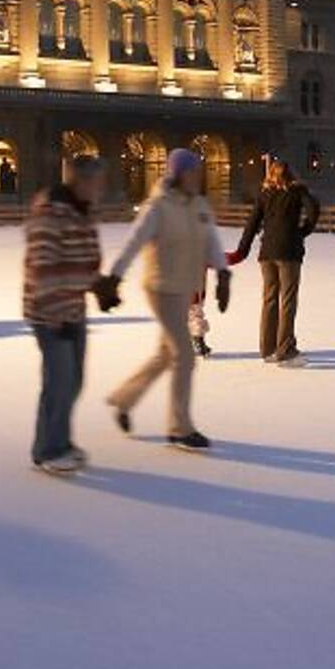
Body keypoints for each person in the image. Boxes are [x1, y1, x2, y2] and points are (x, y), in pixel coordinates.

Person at [99, 148, 230, 451]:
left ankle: (123, 398)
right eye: (193, 171)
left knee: (166, 353)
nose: (199, 176)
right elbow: (134, 242)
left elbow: (211, 241)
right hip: (161, 287)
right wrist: (114, 278)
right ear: (179, 173)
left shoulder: (198, 204)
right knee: (184, 355)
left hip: (184, 288)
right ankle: (179, 428)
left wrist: (223, 275)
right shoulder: (158, 207)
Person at [24, 154, 116, 475]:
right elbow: (42, 271)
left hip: (73, 307)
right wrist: (55, 314)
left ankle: (54, 441)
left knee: (72, 381)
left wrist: (99, 285)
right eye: (97, 182)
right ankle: (50, 449)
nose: (101, 189)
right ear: (80, 181)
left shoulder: (83, 212)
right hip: (49, 311)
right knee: (60, 382)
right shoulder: (51, 214)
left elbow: (83, 262)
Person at [226, 154, 321, 365]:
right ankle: (285, 350)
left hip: (267, 253)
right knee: (287, 300)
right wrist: (303, 231)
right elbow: (314, 209)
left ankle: (268, 349)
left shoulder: (264, 195)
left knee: (269, 299)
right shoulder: (298, 191)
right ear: (291, 175)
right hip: (288, 252)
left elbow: (251, 224)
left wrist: (243, 250)